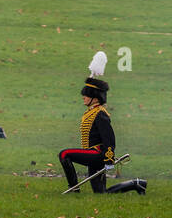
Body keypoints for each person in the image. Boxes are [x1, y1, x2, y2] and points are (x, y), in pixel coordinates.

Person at [58, 52, 145, 194]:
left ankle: (74, 188)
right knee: (101, 193)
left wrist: (109, 159)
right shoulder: (91, 112)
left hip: (97, 154)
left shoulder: (100, 114)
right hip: (93, 155)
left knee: (64, 154)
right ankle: (137, 184)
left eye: (87, 95)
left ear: (95, 98)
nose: (84, 98)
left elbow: (109, 139)